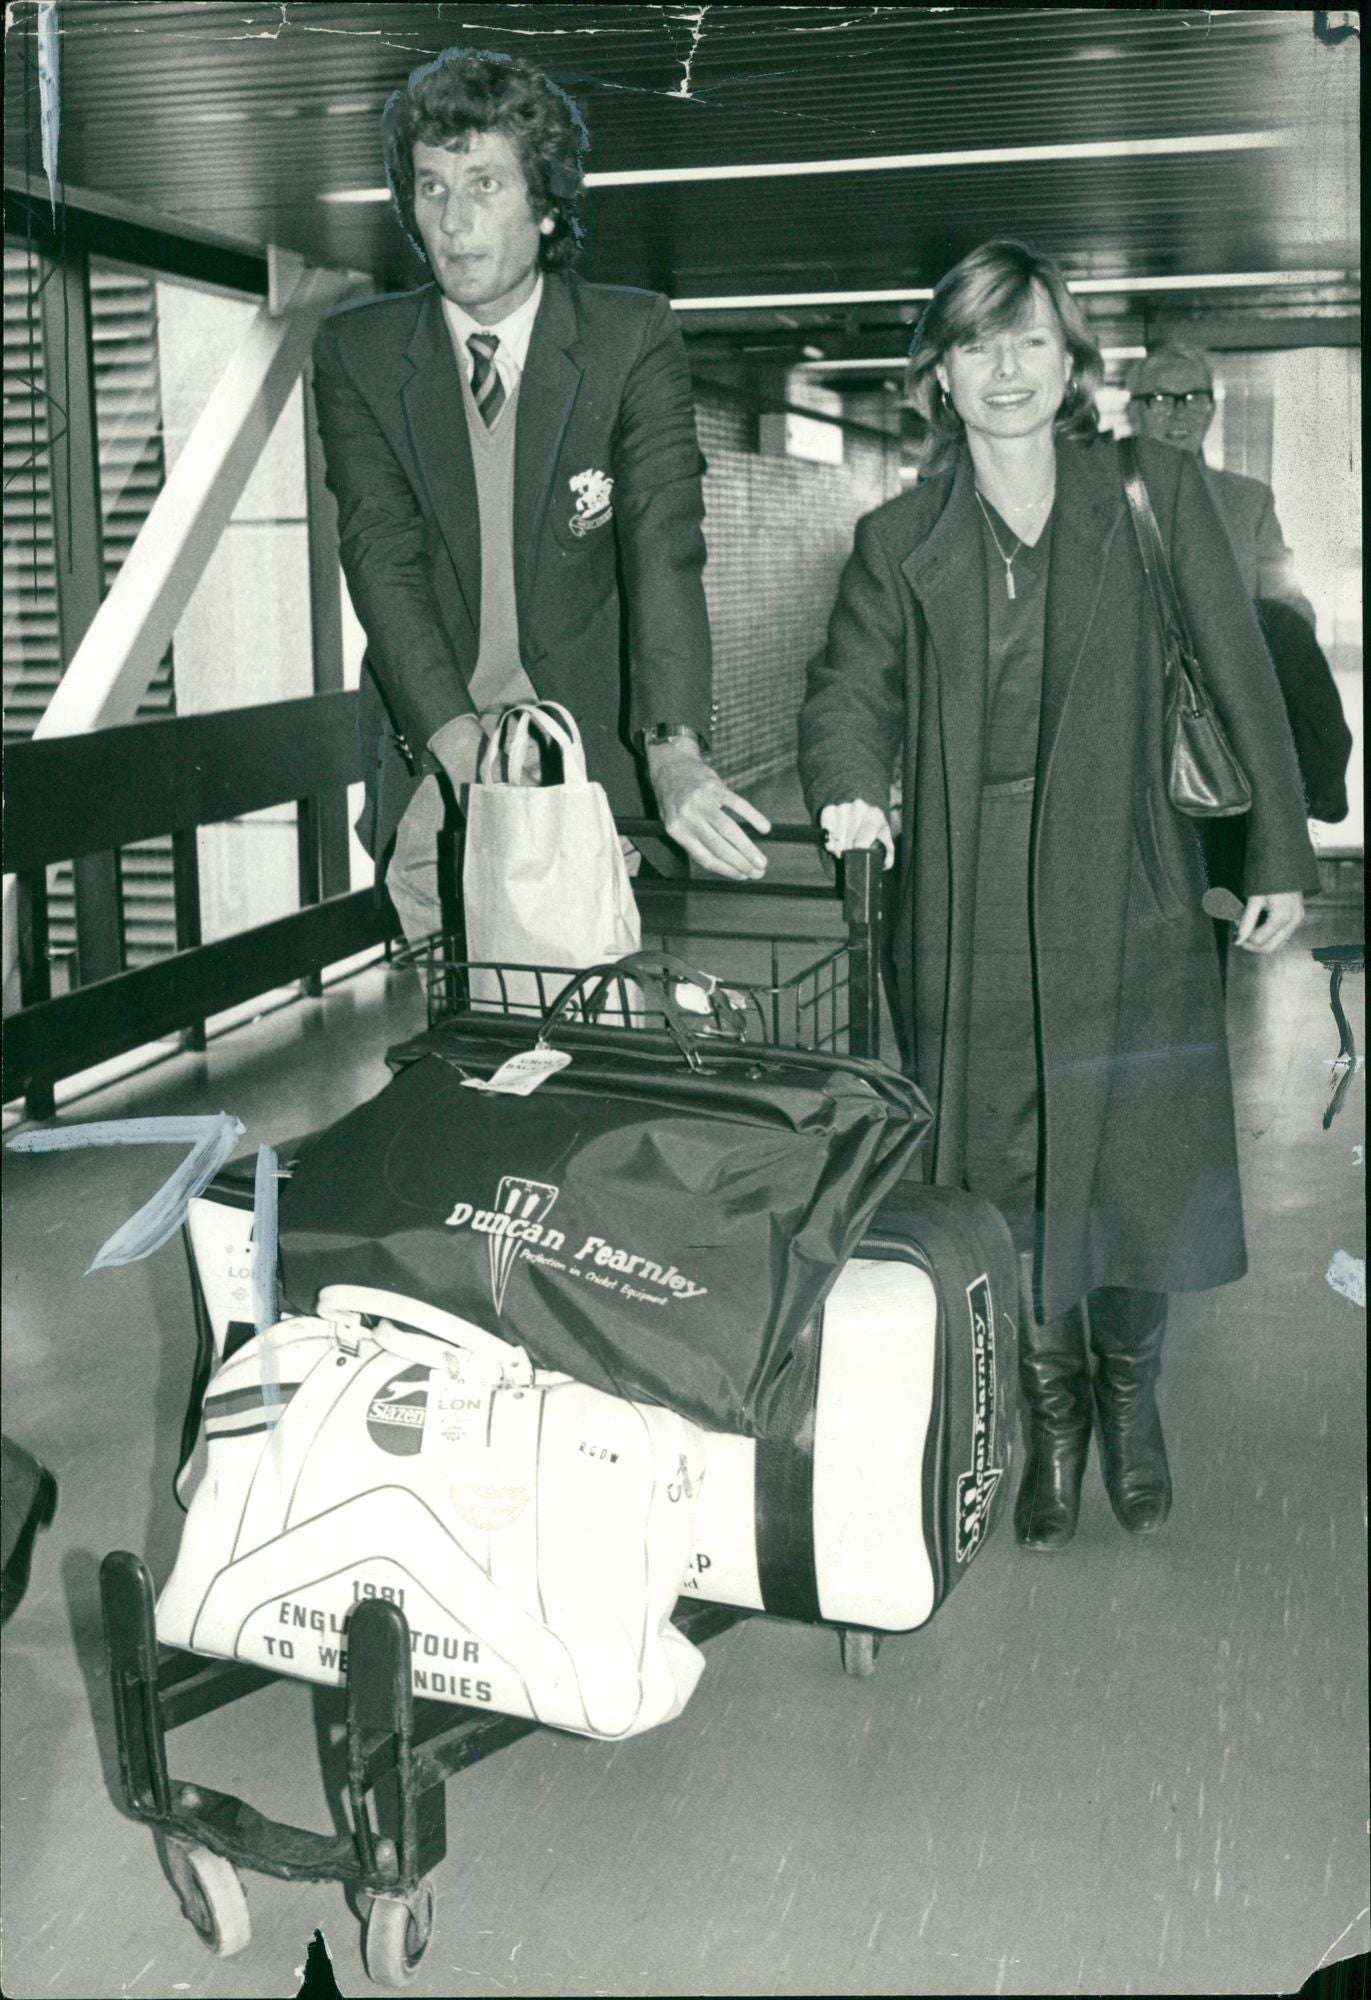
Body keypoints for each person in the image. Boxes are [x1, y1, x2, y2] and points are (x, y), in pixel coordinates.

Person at [800, 241, 1319, 1554]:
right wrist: (849, 782)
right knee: (1001, 1174)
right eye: (975, 344)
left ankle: (1128, 1398)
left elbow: (1241, 677)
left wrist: (1270, 851)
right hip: (963, 898)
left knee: (1133, 1160)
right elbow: (843, 689)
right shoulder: (896, 536)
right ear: (935, 374)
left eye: (1029, 339)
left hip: (1128, 878)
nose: (1006, 369)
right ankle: (1049, 1417)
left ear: (1073, 360)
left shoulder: (1151, 493)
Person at [312, 47, 769, 944]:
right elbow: (380, 555)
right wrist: (459, 757)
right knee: (468, 1048)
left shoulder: (627, 338)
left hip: (595, 770)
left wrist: (673, 748)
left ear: (549, 205)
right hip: (439, 758)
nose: (453, 219)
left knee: (592, 1035)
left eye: (485, 184)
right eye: (432, 187)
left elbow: (662, 544)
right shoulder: (358, 355)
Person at [1127, 344, 1317, 626]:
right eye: (1161, 398)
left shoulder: (1250, 502)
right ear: (1134, 412)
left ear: (1211, 410)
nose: (1180, 413)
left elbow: (1290, 609)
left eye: (1194, 398)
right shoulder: (1102, 500)